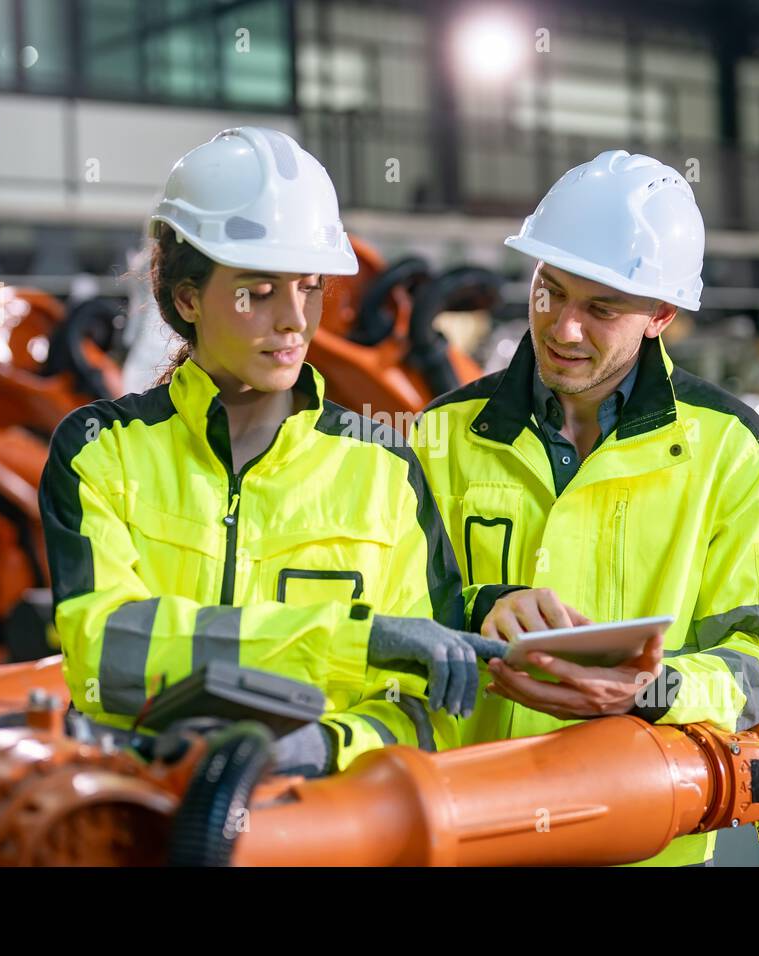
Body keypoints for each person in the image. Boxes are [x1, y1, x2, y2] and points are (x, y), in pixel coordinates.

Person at [39, 127, 504, 777]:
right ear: (187, 297)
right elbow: (105, 657)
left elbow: (430, 709)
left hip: (322, 834)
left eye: (310, 286)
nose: (293, 319)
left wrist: (322, 747)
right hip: (143, 819)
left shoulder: (384, 469)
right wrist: (351, 641)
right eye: (258, 291)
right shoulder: (100, 452)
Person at [412, 150, 759, 865]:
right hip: (465, 831)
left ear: (661, 314)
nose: (564, 328)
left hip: (640, 846)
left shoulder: (730, 451)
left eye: (601, 308)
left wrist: (655, 689)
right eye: (551, 292)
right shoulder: (439, 434)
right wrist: (479, 607)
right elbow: (383, 619)